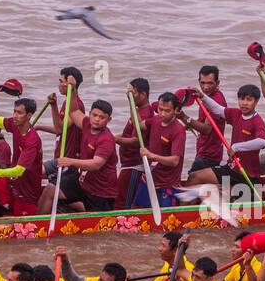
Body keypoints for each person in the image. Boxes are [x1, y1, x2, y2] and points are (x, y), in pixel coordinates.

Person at [183, 84, 265, 196]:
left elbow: (262, 142)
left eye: (249, 100)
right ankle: (187, 210)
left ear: (256, 102)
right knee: (194, 177)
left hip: (247, 176)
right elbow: (217, 109)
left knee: (225, 198)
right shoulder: (236, 114)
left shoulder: (257, 121)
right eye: (242, 99)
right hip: (231, 169)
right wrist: (202, 96)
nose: (244, 103)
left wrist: (236, 147)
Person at [44, 98, 119, 214]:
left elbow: (96, 164)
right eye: (94, 115)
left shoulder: (106, 139)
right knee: (50, 189)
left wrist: (70, 161)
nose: (97, 119)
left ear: (109, 120)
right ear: (89, 114)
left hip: (101, 191)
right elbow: (74, 111)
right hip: (84, 182)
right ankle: (36, 225)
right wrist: (73, 88)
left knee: (97, 228)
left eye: (102, 117)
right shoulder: (87, 123)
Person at [0, 93, 45, 218]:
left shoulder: (32, 140)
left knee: (20, 225)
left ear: (29, 116)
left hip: (27, 191)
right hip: (11, 182)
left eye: (19, 113)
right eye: (14, 111)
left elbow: (19, 171)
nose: (14, 116)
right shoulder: (14, 124)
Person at [176, 65, 228, 179]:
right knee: (205, 186)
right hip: (203, 149)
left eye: (210, 83)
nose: (206, 87)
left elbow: (206, 129)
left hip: (209, 154)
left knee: (192, 180)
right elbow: (200, 121)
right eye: (202, 83)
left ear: (217, 83)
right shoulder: (205, 98)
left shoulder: (216, 100)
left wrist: (184, 117)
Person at [137, 91, 188, 207]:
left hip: (167, 184)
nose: (163, 114)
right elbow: (139, 125)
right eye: (160, 109)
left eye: (167, 111)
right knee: (137, 209)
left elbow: (175, 161)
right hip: (149, 177)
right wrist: (132, 103)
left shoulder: (178, 130)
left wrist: (152, 155)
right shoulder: (155, 120)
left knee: (167, 220)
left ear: (176, 110)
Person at [115, 78, 154, 208]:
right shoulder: (137, 110)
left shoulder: (146, 113)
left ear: (143, 94)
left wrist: (114, 139)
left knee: (124, 203)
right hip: (127, 164)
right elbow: (128, 134)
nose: (130, 97)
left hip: (135, 167)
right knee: (120, 198)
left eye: (133, 94)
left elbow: (137, 141)